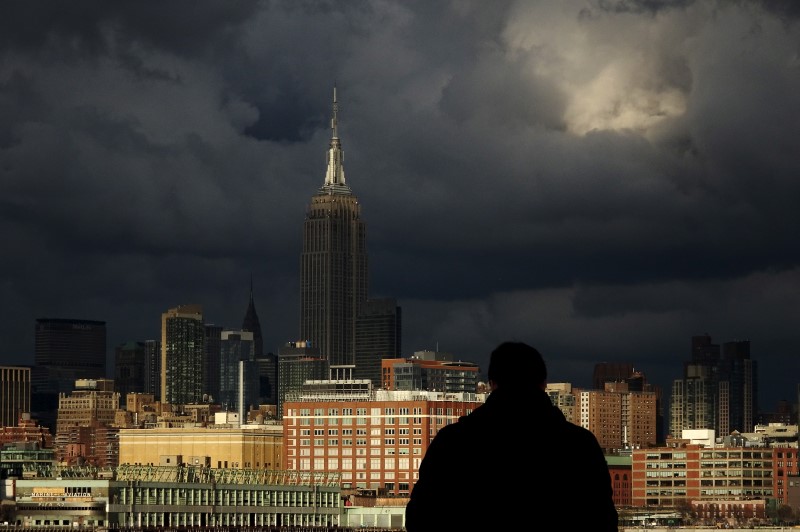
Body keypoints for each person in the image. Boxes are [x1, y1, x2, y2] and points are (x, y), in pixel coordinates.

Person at [405, 341, 619, 531]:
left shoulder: (452, 442)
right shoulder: (579, 445)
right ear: (543, 383)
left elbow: (420, 518)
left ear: (492, 383)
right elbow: (602, 520)